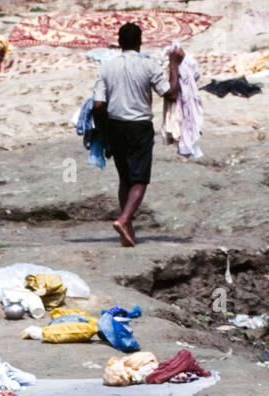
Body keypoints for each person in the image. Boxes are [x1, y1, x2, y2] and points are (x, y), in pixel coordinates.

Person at [92, 21, 183, 247]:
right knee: (140, 179)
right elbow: (170, 94)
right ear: (140, 42)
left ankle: (128, 227)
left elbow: (98, 105)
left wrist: (102, 132)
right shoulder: (149, 66)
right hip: (139, 126)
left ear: (119, 42)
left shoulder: (106, 67)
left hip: (115, 125)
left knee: (125, 178)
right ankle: (124, 219)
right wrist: (174, 64)